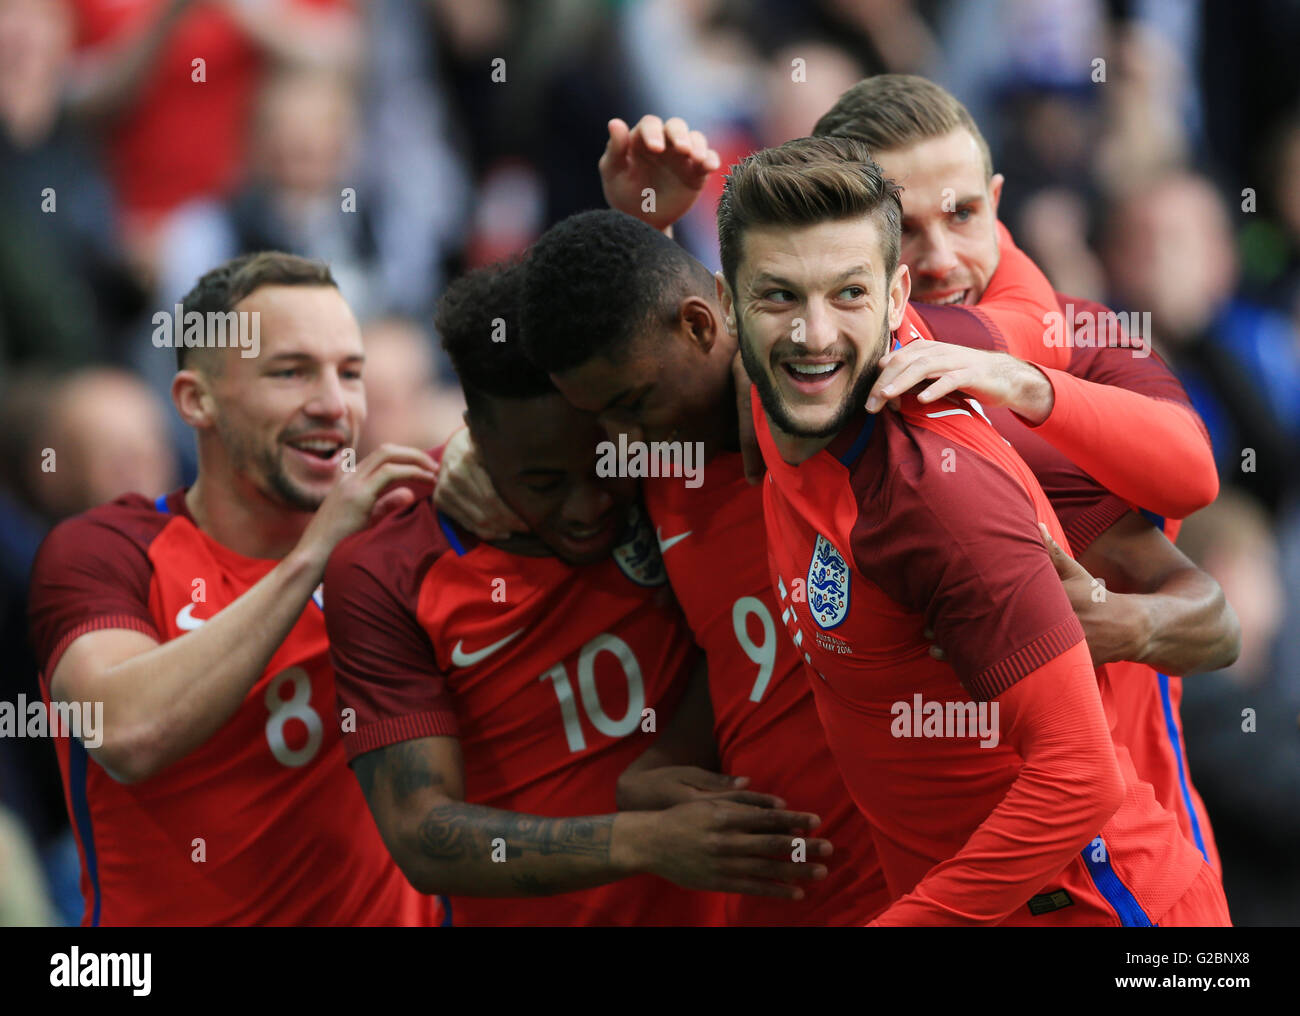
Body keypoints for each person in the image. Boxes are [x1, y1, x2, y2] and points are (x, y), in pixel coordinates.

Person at [717, 135, 1228, 924]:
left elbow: (1081, 777)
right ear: (728, 305)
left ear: (896, 301)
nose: (813, 334)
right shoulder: (780, 387)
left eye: (848, 295)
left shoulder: (936, 499)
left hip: (1108, 904)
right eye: (778, 296)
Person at [323, 261, 832, 926]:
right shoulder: (384, 572)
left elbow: (738, 645)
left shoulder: (670, 468)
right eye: (542, 483)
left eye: (603, 462)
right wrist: (644, 841)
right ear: (474, 436)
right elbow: (424, 834)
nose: (588, 505)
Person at [28, 251, 442, 926]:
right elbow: (127, 732)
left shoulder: (406, 534)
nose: (334, 405)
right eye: (291, 372)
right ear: (199, 401)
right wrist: (312, 559)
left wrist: (644, 232)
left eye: (351, 373)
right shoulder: (105, 550)